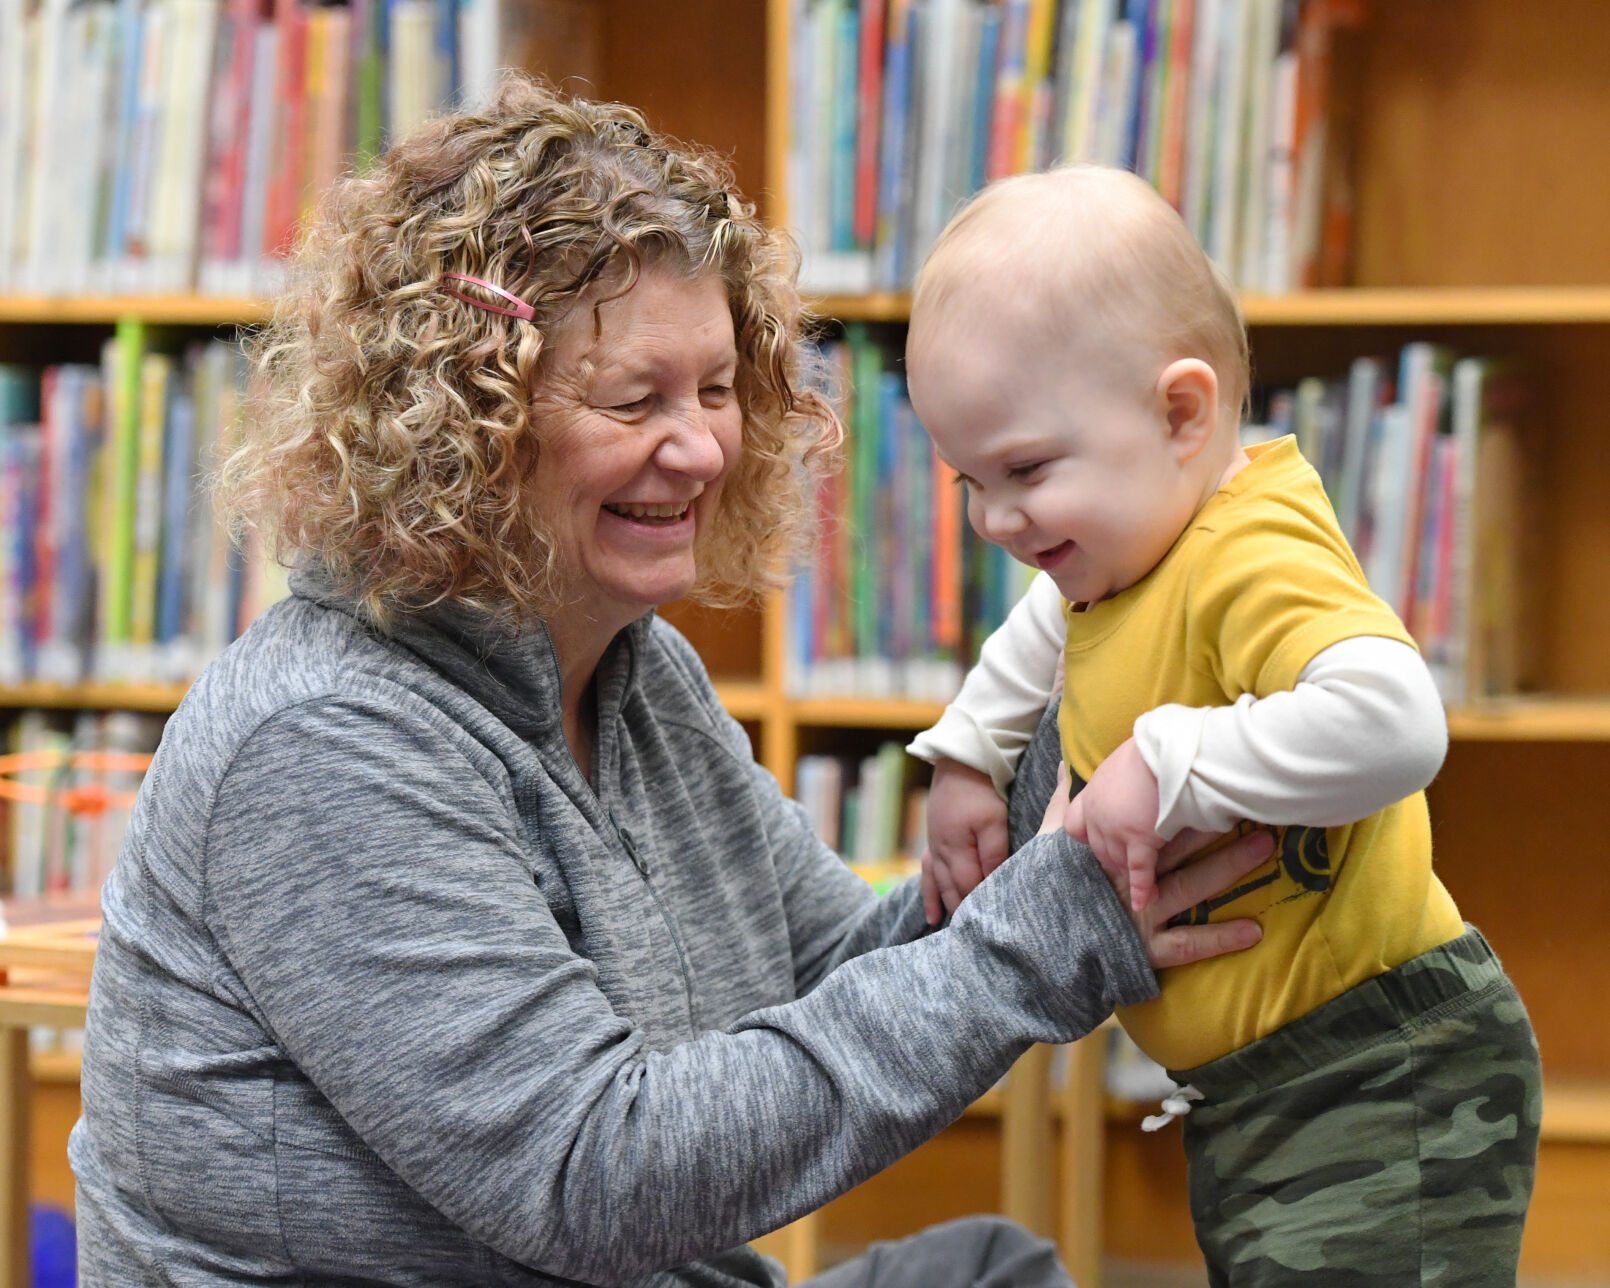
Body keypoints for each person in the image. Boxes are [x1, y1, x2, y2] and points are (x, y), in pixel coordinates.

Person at [68, 82, 1276, 1288]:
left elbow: (838, 979)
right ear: (462, 429)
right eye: (632, 399)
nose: (699, 446)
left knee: (986, 1272)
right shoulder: (325, 742)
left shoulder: (638, 673)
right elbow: (595, 1177)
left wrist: (1100, 705)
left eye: (715, 389)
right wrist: (1041, 936)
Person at [902, 163, 1542, 1286]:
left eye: (1023, 471)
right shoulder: (1125, 552)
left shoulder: (1246, 546)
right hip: (1260, 1085)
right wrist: (966, 750)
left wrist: (1170, 761)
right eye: (965, 481)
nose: (994, 519)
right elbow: (1045, 627)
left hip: (1379, 1067)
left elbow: (1395, 723)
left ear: (1180, 413)